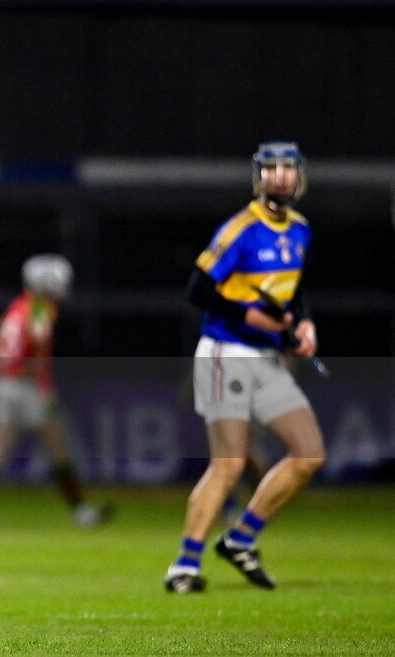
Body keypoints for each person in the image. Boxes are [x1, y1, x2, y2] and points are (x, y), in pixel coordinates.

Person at [164, 141, 326, 593]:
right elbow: (198, 290)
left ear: (299, 176)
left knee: (308, 453)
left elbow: (291, 291)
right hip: (226, 352)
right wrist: (246, 314)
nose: (280, 177)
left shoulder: (300, 229)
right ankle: (184, 566)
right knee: (229, 463)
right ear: (258, 178)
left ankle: (240, 539)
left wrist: (306, 324)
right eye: (271, 169)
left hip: (267, 357)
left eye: (287, 169)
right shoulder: (240, 229)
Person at [0, 254, 111, 529]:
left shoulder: (19, 305)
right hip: (27, 386)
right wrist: (44, 388)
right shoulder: (41, 309)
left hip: (7, 383)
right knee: (57, 449)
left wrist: (1, 365)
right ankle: (81, 512)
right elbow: (39, 349)